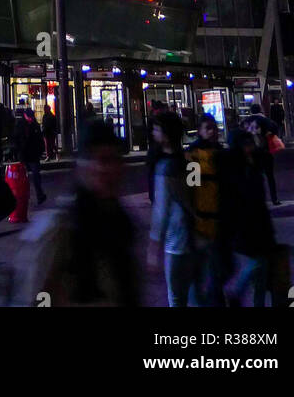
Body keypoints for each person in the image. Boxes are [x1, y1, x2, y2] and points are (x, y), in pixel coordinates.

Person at [19, 117, 138, 306]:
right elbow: (35, 295)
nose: (108, 170)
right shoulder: (57, 231)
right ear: (82, 166)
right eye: (101, 160)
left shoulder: (122, 223)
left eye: (116, 159)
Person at [148, 111, 195, 307]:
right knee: (194, 292)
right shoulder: (190, 160)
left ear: (166, 135)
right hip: (196, 234)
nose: (153, 132)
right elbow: (196, 193)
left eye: (157, 129)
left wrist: (153, 245)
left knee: (176, 297)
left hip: (176, 239)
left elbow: (162, 210)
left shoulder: (164, 168)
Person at [223, 128, 274, 307]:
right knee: (258, 263)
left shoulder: (254, 163)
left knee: (261, 274)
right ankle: (237, 289)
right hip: (248, 225)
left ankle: (251, 299)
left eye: (250, 143)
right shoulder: (238, 169)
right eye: (246, 144)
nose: (250, 147)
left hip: (259, 223)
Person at [185, 114, 227, 306]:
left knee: (215, 270)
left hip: (216, 220)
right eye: (208, 128)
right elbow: (192, 187)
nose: (212, 132)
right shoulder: (195, 154)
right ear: (200, 130)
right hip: (202, 221)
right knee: (204, 271)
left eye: (214, 128)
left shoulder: (220, 152)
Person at [13, 98, 46, 206]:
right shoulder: (21, 124)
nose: (31, 118)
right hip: (25, 154)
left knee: (36, 176)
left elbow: (39, 139)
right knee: (25, 179)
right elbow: (17, 139)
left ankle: (38, 195)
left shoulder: (33, 125)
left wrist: (40, 150)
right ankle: (24, 197)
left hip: (32, 154)